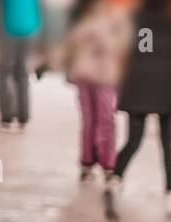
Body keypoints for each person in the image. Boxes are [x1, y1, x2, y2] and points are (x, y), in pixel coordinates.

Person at [105, 0, 171, 222]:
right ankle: (170, 194)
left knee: (133, 140)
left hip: (139, 82)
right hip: (167, 85)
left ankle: (115, 180)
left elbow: (131, 45)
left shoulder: (139, 14)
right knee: (168, 142)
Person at [40, 0, 132, 179]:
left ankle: (105, 161)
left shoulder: (116, 15)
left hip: (104, 74)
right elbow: (69, 43)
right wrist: (49, 63)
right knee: (92, 119)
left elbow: (124, 43)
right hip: (86, 73)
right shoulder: (84, 14)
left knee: (104, 118)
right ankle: (90, 161)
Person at [0, 0, 43, 131]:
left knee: (5, 72)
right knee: (22, 73)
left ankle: (6, 116)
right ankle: (23, 115)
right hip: (30, 26)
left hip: (9, 26)